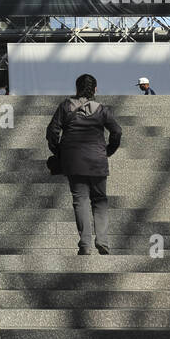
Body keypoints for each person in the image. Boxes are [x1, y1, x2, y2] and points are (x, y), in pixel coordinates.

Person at [46, 73, 122, 256]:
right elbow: (117, 131)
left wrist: (60, 153)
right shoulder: (102, 110)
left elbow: (52, 132)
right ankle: (102, 241)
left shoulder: (66, 106)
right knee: (100, 200)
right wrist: (108, 150)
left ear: (77, 89)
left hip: (74, 161)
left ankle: (85, 244)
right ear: (95, 89)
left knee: (80, 200)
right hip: (97, 160)